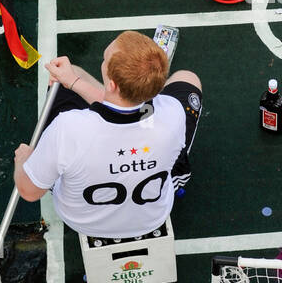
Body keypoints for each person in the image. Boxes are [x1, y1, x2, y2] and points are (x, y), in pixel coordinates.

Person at [13, 31, 202, 241]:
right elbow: (134, 110)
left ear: (111, 85)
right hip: (152, 217)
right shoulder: (171, 112)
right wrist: (73, 81)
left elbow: (29, 192)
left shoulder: (68, 127)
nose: (103, 62)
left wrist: (23, 160)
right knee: (187, 78)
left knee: (73, 75)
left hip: (81, 220)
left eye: (105, 60)